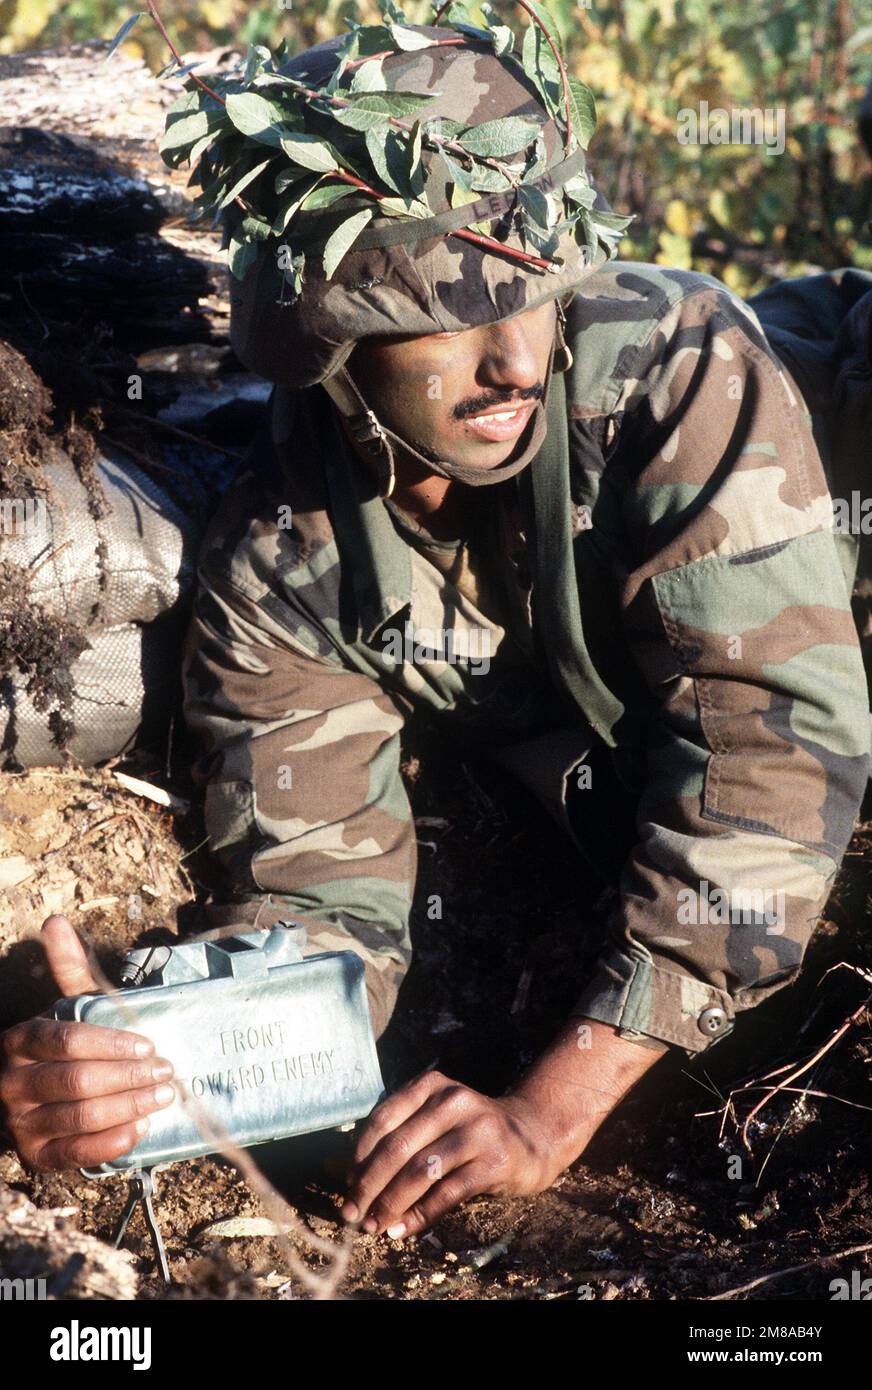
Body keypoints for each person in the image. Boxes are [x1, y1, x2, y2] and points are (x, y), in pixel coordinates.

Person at [1, 22, 868, 1247]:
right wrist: (148, 1071)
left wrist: (551, 1108)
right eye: (448, 316)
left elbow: (770, 758)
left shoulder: (668, 365)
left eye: (530, 295)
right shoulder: (283, 560)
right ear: (329, 343)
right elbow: (318, 913)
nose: (517, 357)